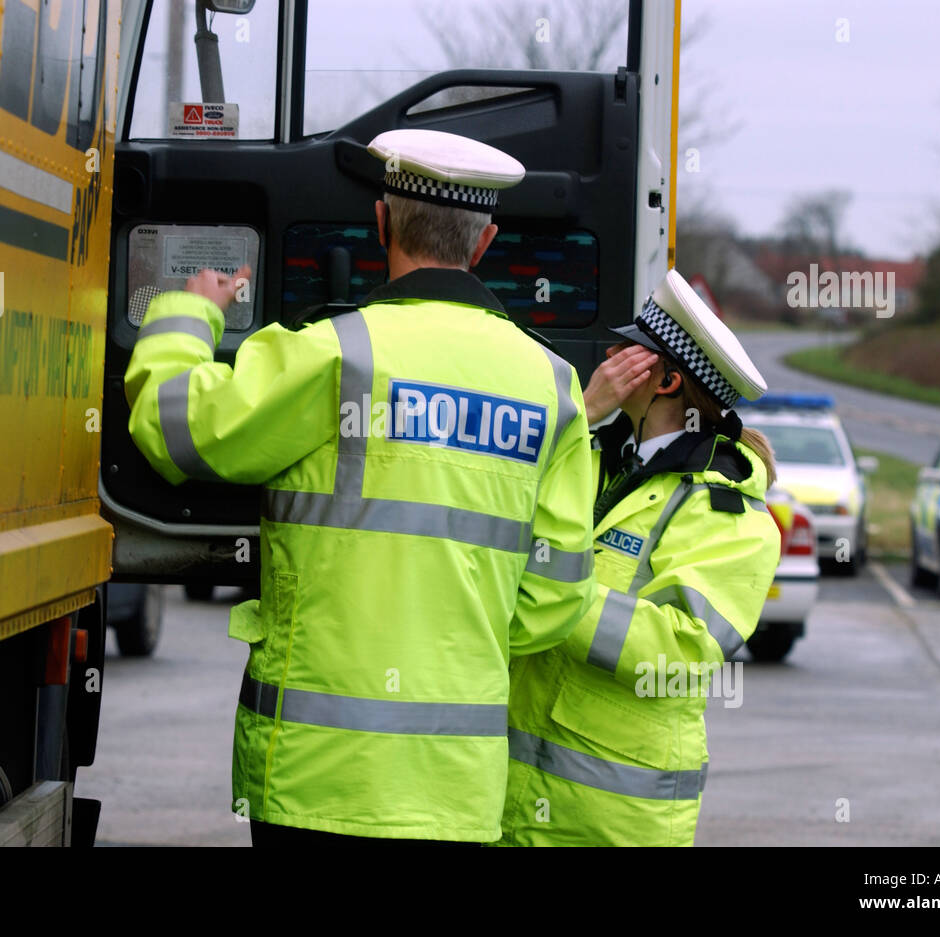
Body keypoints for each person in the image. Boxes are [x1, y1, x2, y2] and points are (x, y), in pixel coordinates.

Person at [124, 129, 596, 844]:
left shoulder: (335, 355)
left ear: (381, 224)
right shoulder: (555, 389)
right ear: (486, 241)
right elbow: (554, 601)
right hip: (454, 790)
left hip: (318, 782)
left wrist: (189, 311)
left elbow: (174, 429)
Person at [499, 269, 782, 846]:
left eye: (630, 350)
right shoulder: (596, 457)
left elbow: (683, 648)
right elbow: (498, 502)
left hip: (607, 819)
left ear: (667, 379)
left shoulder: (728, 514)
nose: (609, 355)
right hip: (508, 800)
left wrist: (554, 593)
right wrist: (579, 409)